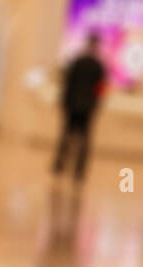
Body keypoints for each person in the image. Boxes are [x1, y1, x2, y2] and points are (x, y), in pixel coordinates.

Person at [52, 33, 106, 182]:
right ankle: (79, 169)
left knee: (67, 135)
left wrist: (64, 102)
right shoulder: (97, 66)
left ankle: (60, 164)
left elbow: (68, 84)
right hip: (87, 106)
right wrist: (96, 104)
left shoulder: (78, 62)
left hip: (74, 104)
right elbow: (100, 89)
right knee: (84, 138)